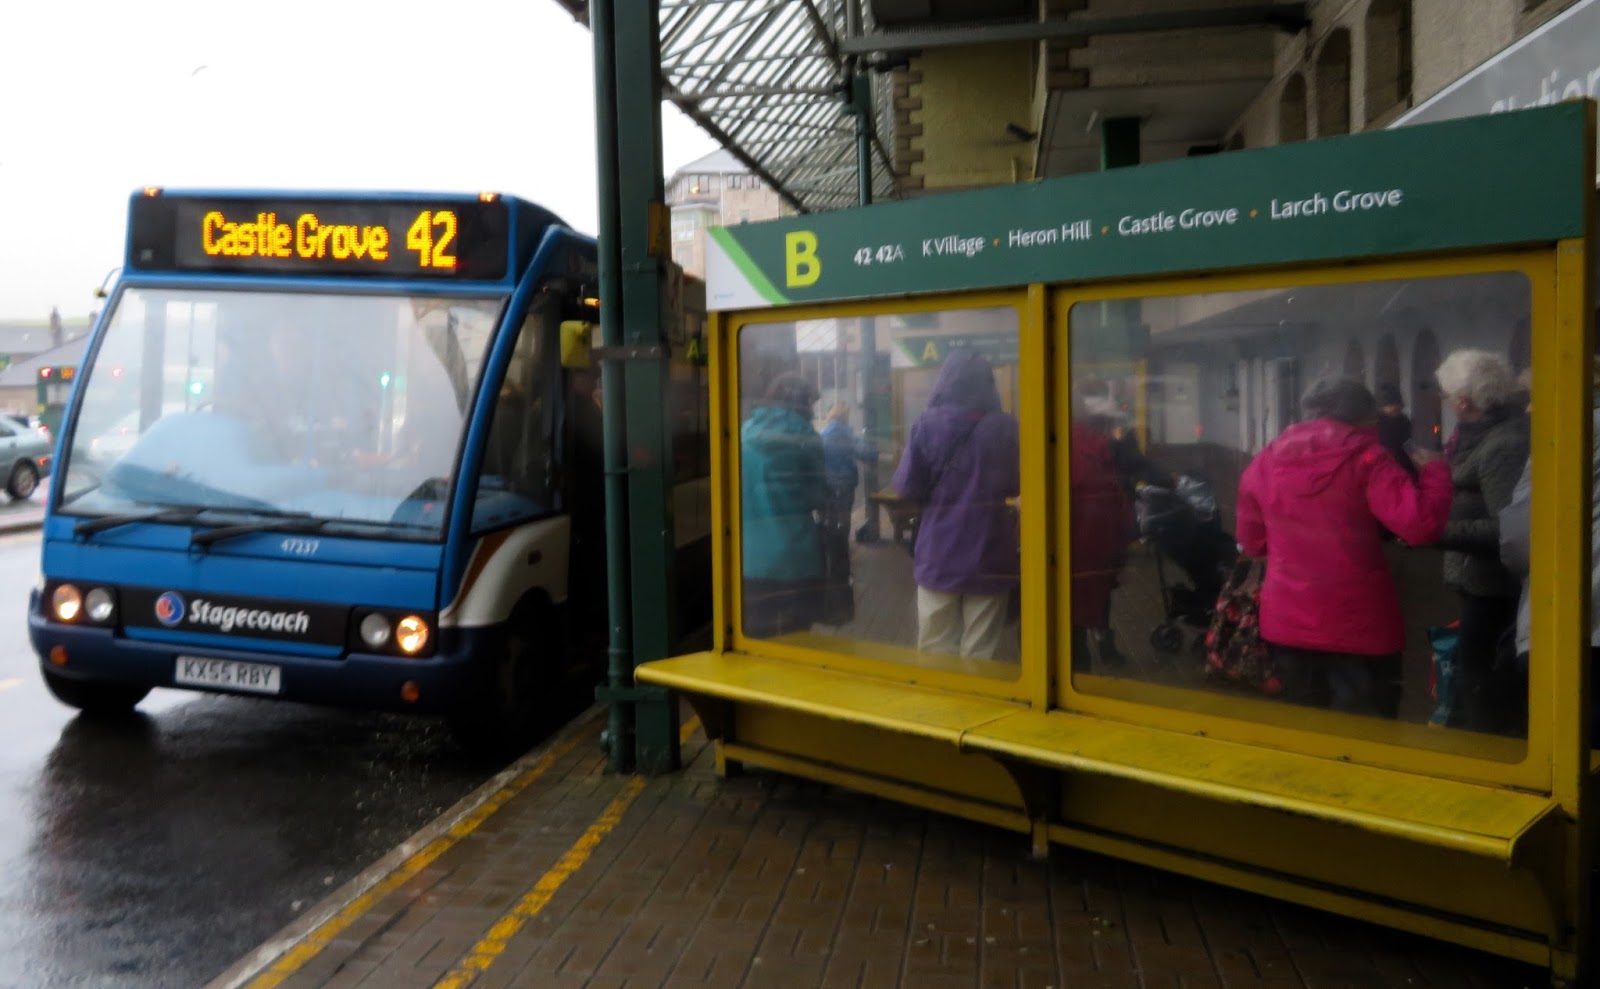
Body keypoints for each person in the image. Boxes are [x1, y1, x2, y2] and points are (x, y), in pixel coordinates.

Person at [1235, 376, 1451, 717]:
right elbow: (1419, 527)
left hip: (1288, 620)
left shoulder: (1265, 460)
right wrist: (1436, 472)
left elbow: (1252, 541)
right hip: (1359, 623)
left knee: (1307, 730)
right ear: (1363, 416)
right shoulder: (1368, 459)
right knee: (1366, 733)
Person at [893, 349, 1019, 660]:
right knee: (980, 652)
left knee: (935, 649)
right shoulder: (1005, 427)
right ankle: (976, 706)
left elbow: (908, 487)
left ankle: (942, 708)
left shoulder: (926, 425)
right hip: (991, 552)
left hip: (939, 553)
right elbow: (1018, 484)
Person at [1499, 360, 1600, 745]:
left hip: (1575, 618)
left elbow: (1524, 535)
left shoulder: (1567, 433)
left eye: (1536, 398)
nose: (1528, 409)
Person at [1436, 349, 1529, 733]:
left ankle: (1489, 755)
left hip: (1494, 588)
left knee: (1484, 683)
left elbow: (1507, 528)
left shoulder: (1502, 444)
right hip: (1480, 582)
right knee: (1471, 675)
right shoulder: (1477, 436)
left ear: (1462, 400)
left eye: (1445, 396)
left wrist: (1436, 529)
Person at [740, 372, 828, 638]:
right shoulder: (807, 438)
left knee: (756, 637)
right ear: (802, 403)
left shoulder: (744, 433)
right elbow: (820, 495)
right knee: (797, 639)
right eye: (811, 402)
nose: (812, 408)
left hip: (750, 557)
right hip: (798, 557)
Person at [1070, 390, 1134, 670]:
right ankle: (1102, 649)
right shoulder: (1098, 450)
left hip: (1064, 551)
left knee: (1065, 624)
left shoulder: (1042, 447)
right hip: (1096, 550)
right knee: (1089, 609)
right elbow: (1116, 500)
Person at [1375, 382, 1417, 477]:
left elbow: (1408, 443)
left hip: (1403, 466)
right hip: (1382, 467)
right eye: (1390, 405)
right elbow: (1370, 451)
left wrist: (1415, 457)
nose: (1394, 408)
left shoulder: (1404, 421)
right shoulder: (1374, 423)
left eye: (1396, 405)